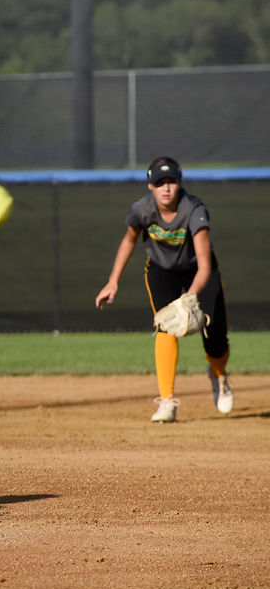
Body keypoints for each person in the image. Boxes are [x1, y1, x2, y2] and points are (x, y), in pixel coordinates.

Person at [95, 156, 232, 423]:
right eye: (159, 182)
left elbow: (204, 265)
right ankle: (167, 401)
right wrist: (113, 280)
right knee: (165, 325)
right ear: (150, 186)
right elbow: (129, 241)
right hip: (161, 269)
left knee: (215, 338)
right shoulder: (142, 210)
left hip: (199, 271)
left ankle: (218, 376)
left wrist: (191, 297)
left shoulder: (193, 209)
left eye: (171, 181)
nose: (166, 188)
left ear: (179, 183)